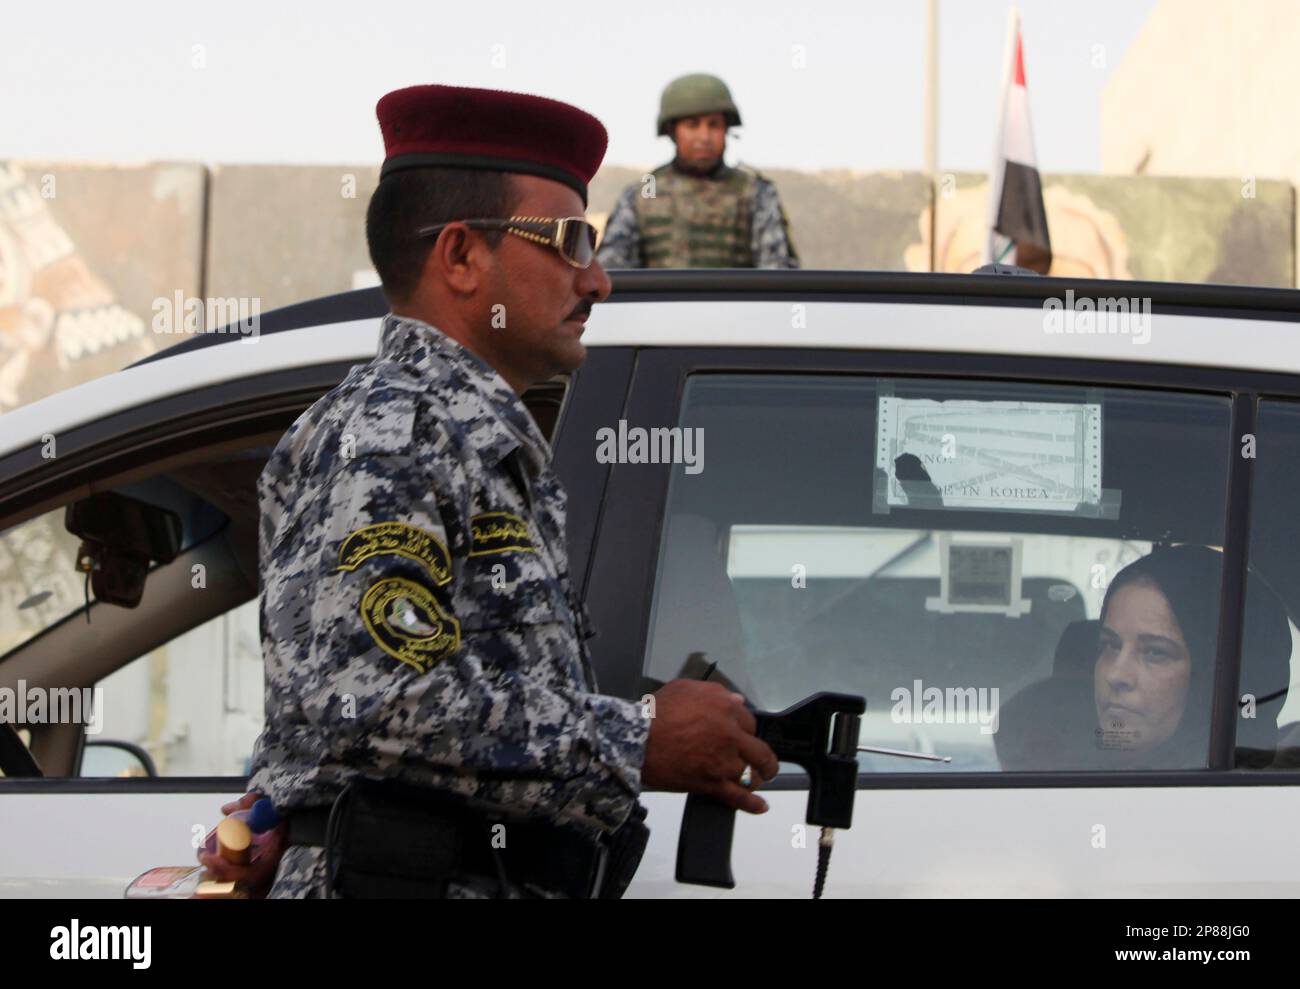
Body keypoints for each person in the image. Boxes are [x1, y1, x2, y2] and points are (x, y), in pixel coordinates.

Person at [199, 83, 779, 898]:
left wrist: (279, 799)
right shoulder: (391, 431)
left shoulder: (479, 444)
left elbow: (334, 697)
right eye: (572, 241)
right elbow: (372, 699)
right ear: (463, 256)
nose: (599, 281)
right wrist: (636, 739)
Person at [1092, 545, 1291, 769]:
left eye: (1155, 652)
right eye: (1110, 645)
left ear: (1218, 678)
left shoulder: (1256, 795)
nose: (1115, 675)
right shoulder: (1059, 767)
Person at [595, 73, 799, 269]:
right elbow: (613, 275)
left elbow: (776, 275)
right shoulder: (645, 192)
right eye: (692, 125)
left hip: (736, 305)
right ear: (673, 131)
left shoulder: (755, 193)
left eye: (714, 125)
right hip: (660, 305)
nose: (704, 137)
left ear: (726, 130)